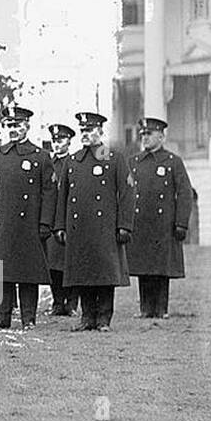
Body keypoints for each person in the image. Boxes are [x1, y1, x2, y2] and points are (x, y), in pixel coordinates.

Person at [0, 102, 54, 329]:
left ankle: (28, 319)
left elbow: (49, 193)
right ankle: (2, 318)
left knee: (28, 274)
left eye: (17, 125)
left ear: (27, 126)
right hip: (1, 224)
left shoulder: (40, 157)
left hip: (29, 224)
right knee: (2, 274)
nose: (12, 129)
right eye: (8, 125)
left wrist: (45, 222)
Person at [53, 111, 134, 332]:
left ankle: (104, 319)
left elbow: (127, 192)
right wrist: (59, 226)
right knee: (83, 273)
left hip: (105, 228)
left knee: (104, 275)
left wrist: (124, 225)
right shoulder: (73, 160)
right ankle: (87, 317)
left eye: (89, 130)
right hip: (79, 229)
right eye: (83, 131)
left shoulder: (113, 158)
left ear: (100, 131)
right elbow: (63, 197)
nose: (85, 134)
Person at [127, 116, 193, 319]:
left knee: (161, 269)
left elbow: (185, 193)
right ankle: (145, 309)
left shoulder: (173, 162)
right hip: (140, 224)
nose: (145, 138)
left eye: (149, 134)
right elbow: (126, 193)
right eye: (143, 135)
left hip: (164, 225)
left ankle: (161, 309)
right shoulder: (134, 162)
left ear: (162, 136)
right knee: (143, 267)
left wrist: (181, 223)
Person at [45, 123, 80, 316]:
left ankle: (72, 303)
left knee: (70, 263)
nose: (57, 144)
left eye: (61, 140)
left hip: (69, 218)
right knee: (52, 264)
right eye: (54, 141)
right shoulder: (48, 163)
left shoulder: (74, 162)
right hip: (51, 219)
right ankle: (57, 302)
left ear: (69, 142)